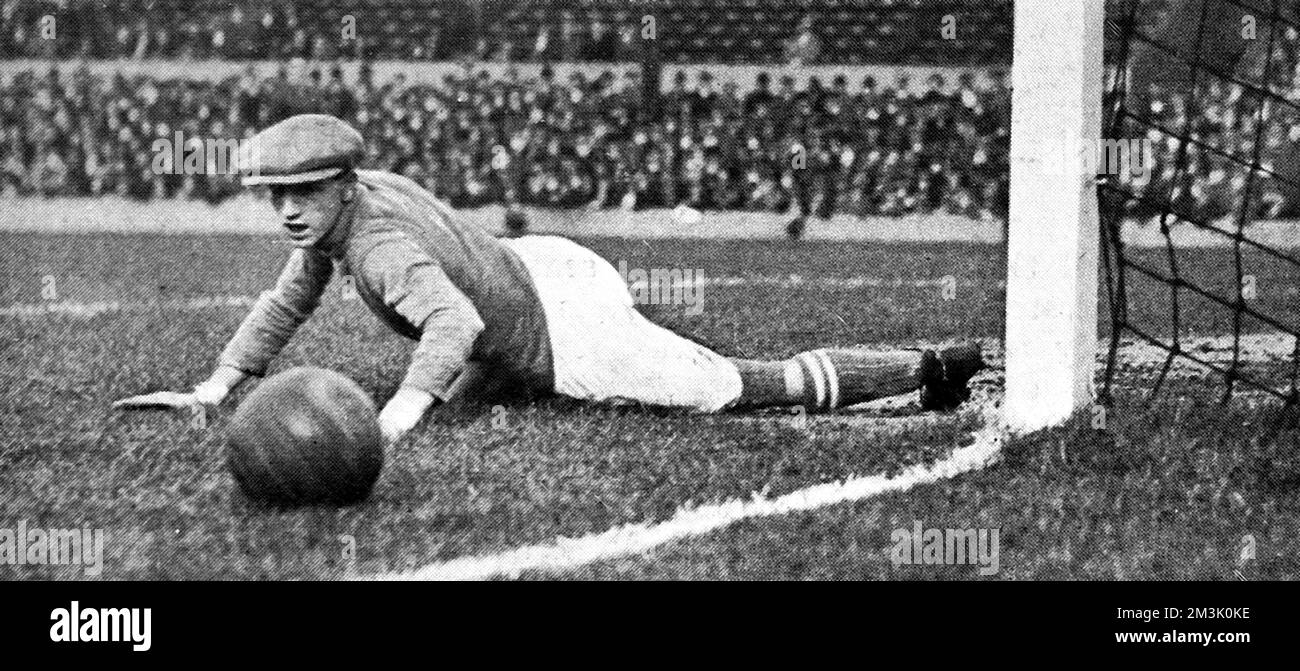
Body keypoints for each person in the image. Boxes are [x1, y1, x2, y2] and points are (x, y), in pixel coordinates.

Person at [114, 115, 983, 443]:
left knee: (731, 389)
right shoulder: (358, 199)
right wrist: (213, 388)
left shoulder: (374, 244)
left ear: (342, 184)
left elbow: (449, 325)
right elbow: (287, 298)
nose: (290, 212)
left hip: (567, 331)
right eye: (277, 197)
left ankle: (929, 364)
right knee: (479, 392)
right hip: (541, 266)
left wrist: (391, 421)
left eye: (304, 192)